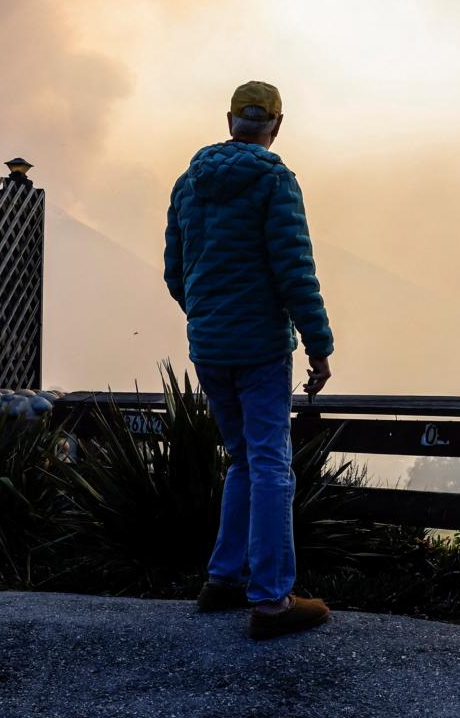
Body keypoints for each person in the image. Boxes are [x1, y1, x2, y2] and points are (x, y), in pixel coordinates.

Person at [164, 80, 336, 640]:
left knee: (241, 459)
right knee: (269, 464)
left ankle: (222, 580)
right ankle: (271, 601)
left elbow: (175, 270)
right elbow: (294, 270)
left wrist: (207, 315)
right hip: (260, 346)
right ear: (277, 126)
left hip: (209, 346)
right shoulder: (275, 180)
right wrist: (319, 343)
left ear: (230, 120)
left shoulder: (188, 183)